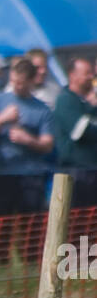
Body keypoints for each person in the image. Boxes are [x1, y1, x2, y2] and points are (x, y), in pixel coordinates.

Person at [0, 56, 55, 262]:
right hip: (1, 174)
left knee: (31, 229)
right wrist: (2, 119)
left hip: (31, 176)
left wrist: (28, 139)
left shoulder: (42, 109)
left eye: (22, 82)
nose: (16, 85)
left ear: (32, 81)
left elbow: (47, 144)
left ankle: (32, 269)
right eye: (14, 81)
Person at [53, 57, 97, 208]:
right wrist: (92, 109)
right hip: (76, 173)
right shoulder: (66, 100)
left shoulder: (89, 101)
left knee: (91, 223)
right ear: (72, 75)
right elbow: (79, 132)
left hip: (93, 170)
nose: (91, 77)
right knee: (79, 221)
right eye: (87, 73)